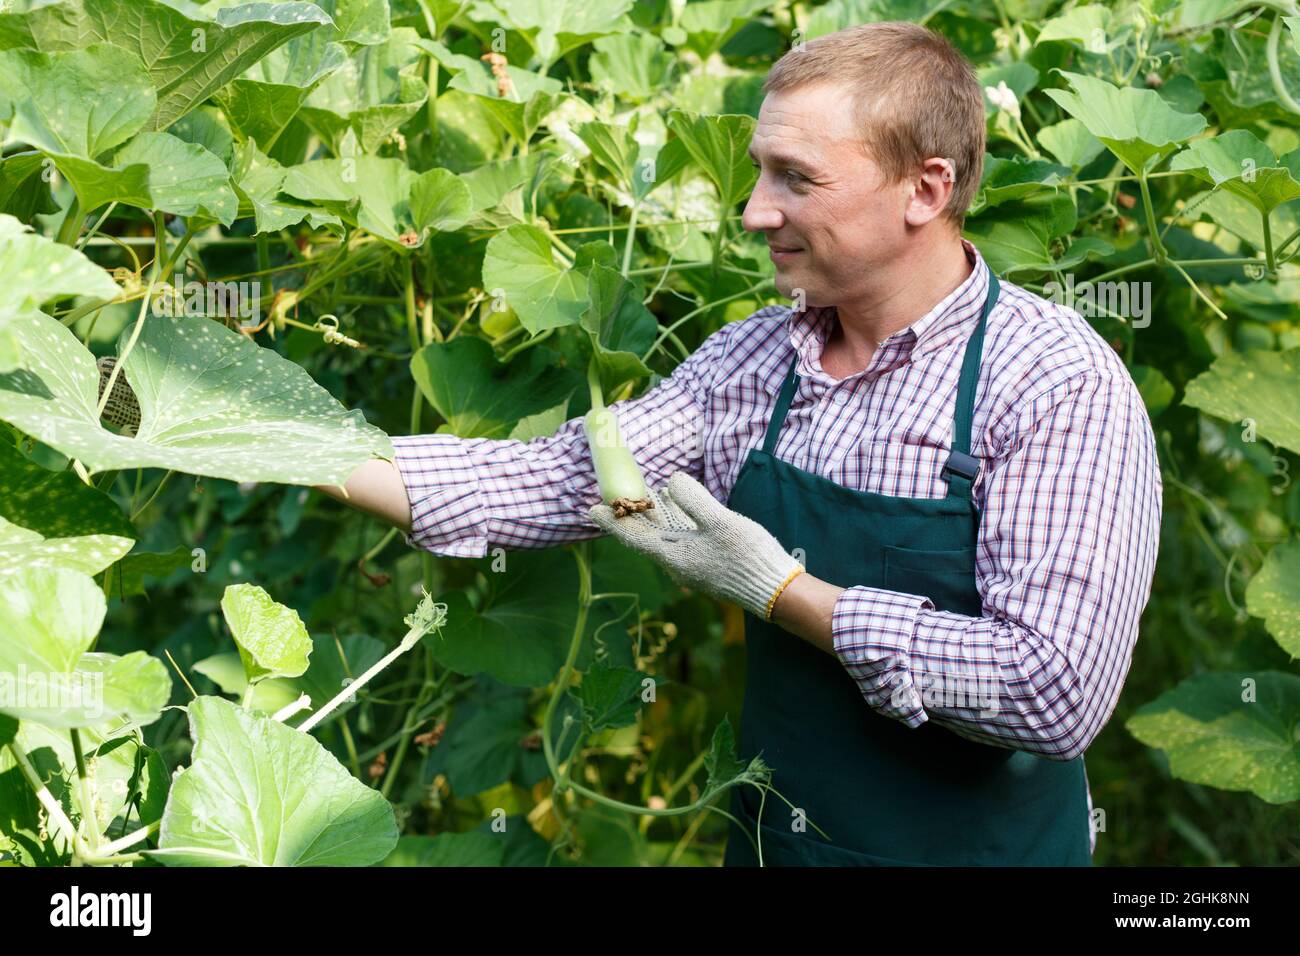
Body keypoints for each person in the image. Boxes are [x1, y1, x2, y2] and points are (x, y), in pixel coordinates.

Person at [317, 21, 1162, 867]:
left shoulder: (1054, 384)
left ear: (926, 189)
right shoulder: (754, 360)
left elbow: (1054, 691)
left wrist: (784, 593)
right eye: (760, 169)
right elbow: (543, 482)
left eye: (796, 177)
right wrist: (278, 447)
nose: (756, 210)